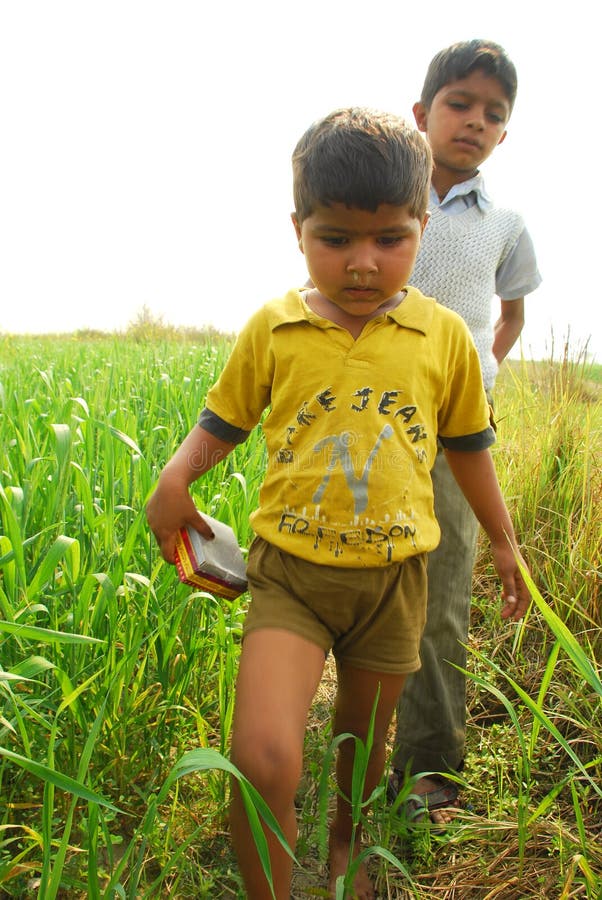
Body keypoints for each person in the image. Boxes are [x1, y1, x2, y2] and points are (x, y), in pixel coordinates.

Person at [146, 107, 531, 900]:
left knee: (362, 745)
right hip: (291, 575)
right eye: (335, 239)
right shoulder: (276, 328)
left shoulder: (446, 338)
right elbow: (225, 420)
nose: (363, 264)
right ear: (298, 229)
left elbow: (469, 447)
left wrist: (502, 539)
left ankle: (347, 843)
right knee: (261, 755)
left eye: (390, 238)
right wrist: (175, 478)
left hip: (393, 583)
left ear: (423, 225)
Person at [388, 39, 542, 826]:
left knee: (443, 594)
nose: (475, 122)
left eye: (494, 114)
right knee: (355, 576)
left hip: (456, 432)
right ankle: (344, 727)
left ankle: (428, 768)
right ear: (422, 114)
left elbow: (510, 313)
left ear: (503, 135)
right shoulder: (389, 202)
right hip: (372, 418)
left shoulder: (506, 225)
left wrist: (479, 371)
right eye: (460, 104)